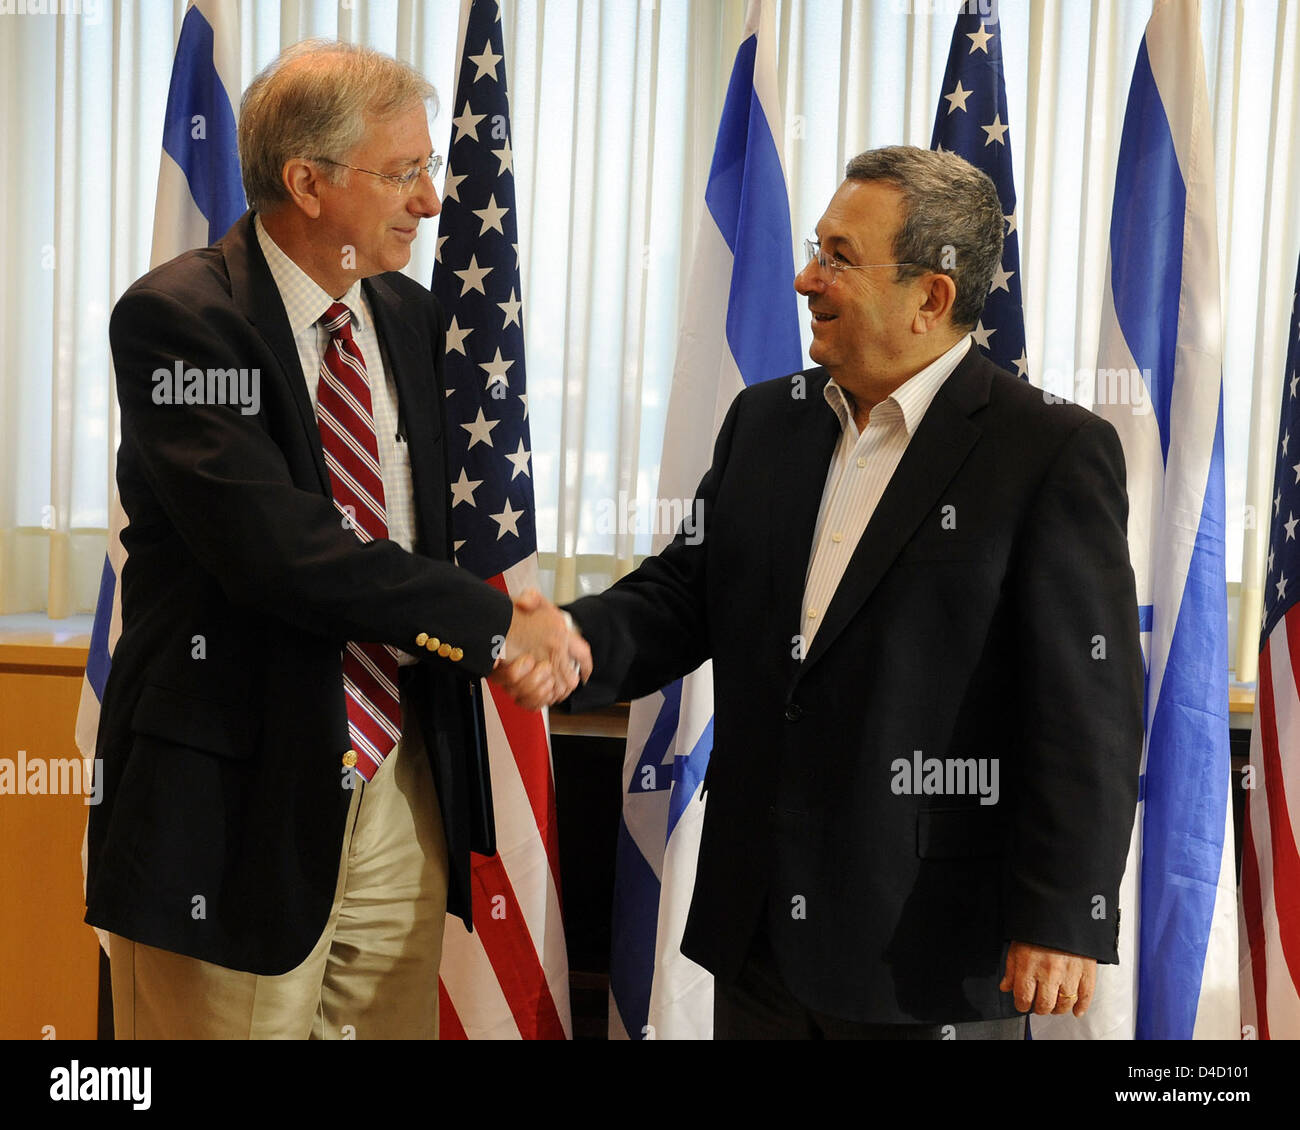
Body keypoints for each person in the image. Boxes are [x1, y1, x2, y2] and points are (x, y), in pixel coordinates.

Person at [496, 146, 1143, 1039]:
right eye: (816, 249)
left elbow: (1090, 710)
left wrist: (1065, 913)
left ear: (932, 296)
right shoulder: (767, 421)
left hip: (928, 941)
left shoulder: (1046, 453)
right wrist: (577, 641)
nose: (807, 278)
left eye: (840, 257)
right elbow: (685, 591)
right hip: (758, 922)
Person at [85, 39, 587, 1040]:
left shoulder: (410, 316)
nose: (432, 199)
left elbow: (426, 539)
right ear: (306, 182)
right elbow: (282, 550)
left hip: (403, 779)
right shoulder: (180, 320)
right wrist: (496, 624)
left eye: (428, 169)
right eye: (403, 172)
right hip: (235, 792)